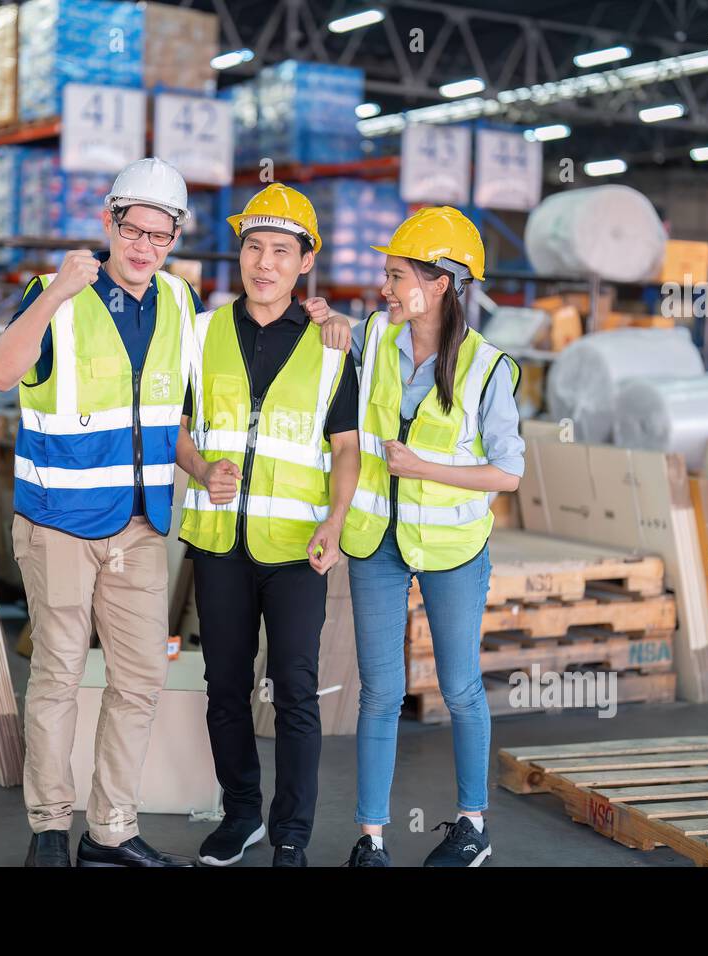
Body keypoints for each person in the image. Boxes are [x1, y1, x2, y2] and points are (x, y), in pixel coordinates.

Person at [0, 157, 205, 868]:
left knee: (138, 681)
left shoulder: (177, 303)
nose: (143, 247)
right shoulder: (55, 292)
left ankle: (109, 831)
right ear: (108, 222)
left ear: (173, 240)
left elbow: (166, 417)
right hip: (59, 523)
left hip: (140, 525)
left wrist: (203, 468)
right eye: (132, 229)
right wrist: (55, 297)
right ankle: (49, 827)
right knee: (58, 675)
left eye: (159, 235)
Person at [318, 207, 524, 868]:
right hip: (377, 539)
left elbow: (510, 473)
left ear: (440, 283)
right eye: (385, 273)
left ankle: (472, 827)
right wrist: (326, 324)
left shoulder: (488, 368)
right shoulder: (376, 334)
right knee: (380, 692)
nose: (384, 287)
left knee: (462, 688)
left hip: (452, 548)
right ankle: (370, 839)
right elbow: (338, 353)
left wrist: (422, 466)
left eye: (396, 274)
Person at [175, 183, 360, 868]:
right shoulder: (201, 333)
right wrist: (200, 469)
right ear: (240, 253)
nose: (265, 262)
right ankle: (242, 813)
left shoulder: (333, 345)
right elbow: (180, 430)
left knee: (296, 690)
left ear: (304, 262)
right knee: (223, 685)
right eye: (255, 246)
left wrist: (335, 523)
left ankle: (292, 832)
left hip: (296, 549)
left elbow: (348, 448)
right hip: (221, 541)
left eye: (282, 250)